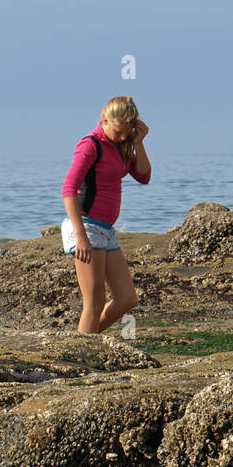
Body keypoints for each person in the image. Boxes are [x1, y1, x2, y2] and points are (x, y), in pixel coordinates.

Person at [61, 95, 152, 334]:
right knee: (94, 303)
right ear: (105, 121)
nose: (123, 137)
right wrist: (80, 236)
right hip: (87, 228)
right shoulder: (90, 144)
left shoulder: (120, 145)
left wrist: (138, 143)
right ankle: (82, 354)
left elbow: (143, 176)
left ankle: (83, 342)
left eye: (127, 132)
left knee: (127, 299)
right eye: (119, 132)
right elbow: (68, 189)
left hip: (106, 231)